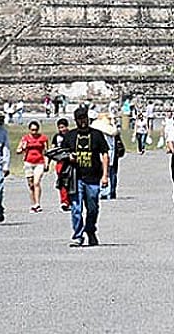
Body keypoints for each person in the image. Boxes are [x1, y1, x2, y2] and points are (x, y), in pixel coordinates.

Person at [58, 105, 110, 247]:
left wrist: (105, 175)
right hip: (76, 178)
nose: (83, 121)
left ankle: (90, 230)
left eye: (85, 118)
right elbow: (60, 153)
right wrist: (69, 156)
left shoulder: (97, 135)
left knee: (93, 207)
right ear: (76, 120)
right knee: (76, 208)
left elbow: (105, 153)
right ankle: (78, 236)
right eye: (80, 119)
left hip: (93, 177)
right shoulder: (70, 136)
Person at [17, 119, 49, 213]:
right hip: (28, 162)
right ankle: (33, 204)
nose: (34, 132)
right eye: (32, 130)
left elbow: (46, 152)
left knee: (36, 182)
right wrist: (23, 148)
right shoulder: (25, 138)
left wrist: (46, 163)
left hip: (39, 162)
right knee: (31, 185)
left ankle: (38, 204)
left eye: (35, 130)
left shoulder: (43, 138)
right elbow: (18, 151)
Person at [92, 112, 123, 200]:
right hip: (109, 154)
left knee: (104, 173)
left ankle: (105, 191)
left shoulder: (98, 131)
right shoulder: (112, 131)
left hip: (104, 154)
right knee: (111, 173)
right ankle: (110, 191)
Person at [50, 117, 71, 211]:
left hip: (71, 161)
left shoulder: (72, 135)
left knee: (71, 182)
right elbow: (53, 150)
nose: (62, 129)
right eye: (60, 127)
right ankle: (64, 201)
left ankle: (71, 201)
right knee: (62, 182)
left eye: (63, 127)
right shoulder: (57, 137)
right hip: (60, 162)